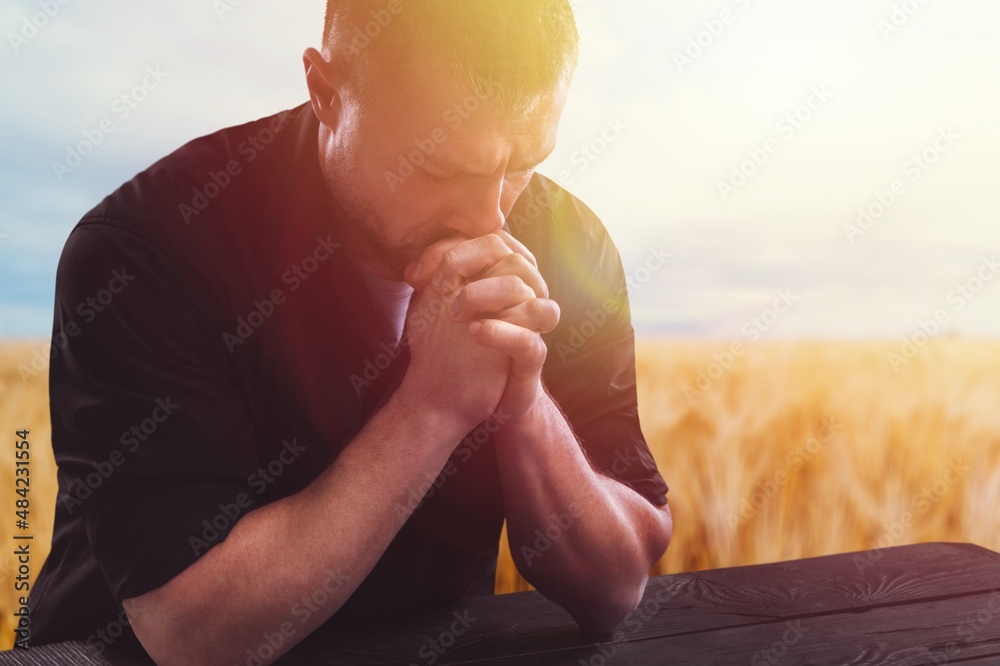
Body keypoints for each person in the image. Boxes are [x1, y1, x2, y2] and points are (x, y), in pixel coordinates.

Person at [29, 1, 672, 663]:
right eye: (441, 170)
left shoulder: (573, 247)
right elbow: (194, 638)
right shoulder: (142, 252)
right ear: (326, 93)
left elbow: (617, 587)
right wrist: (434, 406)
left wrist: (526, 404)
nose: (490, 221)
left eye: (520, 166)